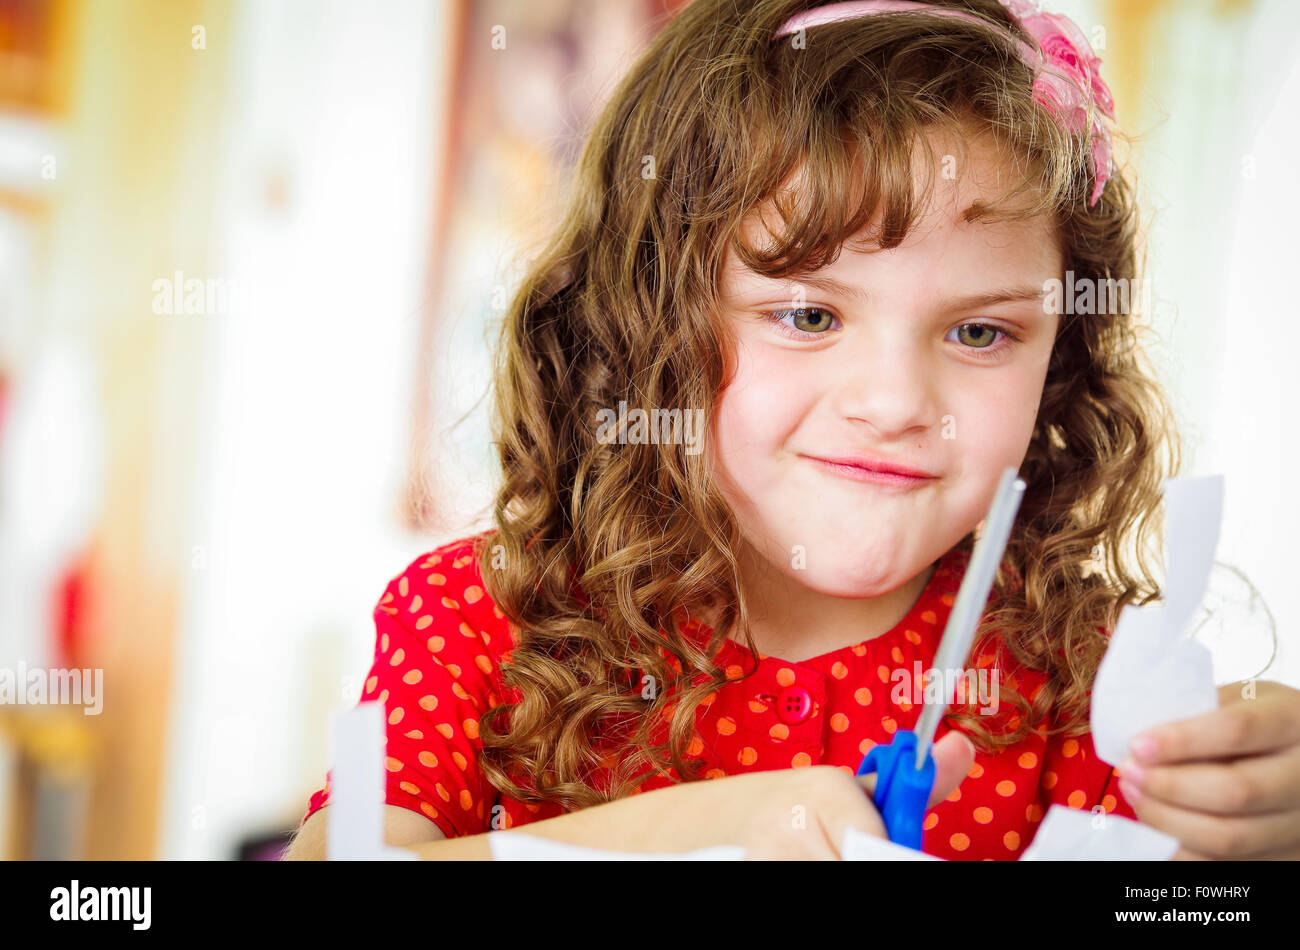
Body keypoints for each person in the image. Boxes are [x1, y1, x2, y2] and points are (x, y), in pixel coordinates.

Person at [284, 0, 1300, 861]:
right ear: (651, 320)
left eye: (981, 330)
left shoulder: (1085, 683)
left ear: (1061, 357)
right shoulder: (475, 620)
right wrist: (711, 828)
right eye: (808, 315)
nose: (896, 401)